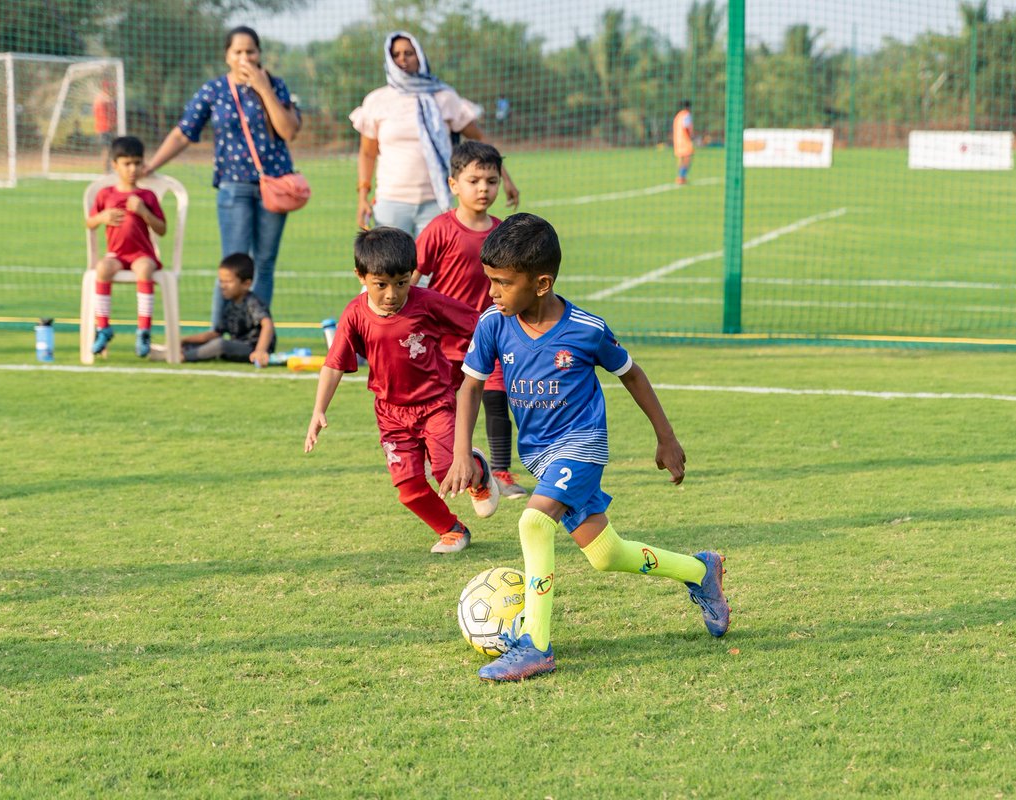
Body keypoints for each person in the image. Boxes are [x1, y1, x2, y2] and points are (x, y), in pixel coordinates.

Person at [440, 214, 730, 682]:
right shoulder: (494, 324)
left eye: (502, 282)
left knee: (533, 523)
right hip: (541, 455)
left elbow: (631, 373)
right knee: (605, 554)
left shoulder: (586, 328)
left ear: (541, 283)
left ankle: (534, 644)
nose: (491, 291)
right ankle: (700, 571)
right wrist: (460, 451)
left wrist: (666, 437)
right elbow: (469, 388)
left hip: (582, 447)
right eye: (489, 280)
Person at [304, 227, 500, 554]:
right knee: (408, 488)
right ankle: (452, 530)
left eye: (402, 282)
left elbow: (478, 323)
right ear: (361, 276)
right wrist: (318, 409)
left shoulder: (427, 303)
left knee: (446, 471)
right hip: (391, 414)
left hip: (436, 404)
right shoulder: (355, 314)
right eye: (381, 285)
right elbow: (334, 362)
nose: (392, 294)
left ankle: (477, 471)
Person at [145, 25, 301, 330]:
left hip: (275, 185)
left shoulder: (276, 85)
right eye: (238, 52)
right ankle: (220, 330)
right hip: (234, 186)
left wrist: (263, 88)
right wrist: (151, 165)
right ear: (227, 56)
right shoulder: (214, 90)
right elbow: (183, 133)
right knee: (233, 261)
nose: (245, 57)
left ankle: (256, 333)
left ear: (259, 54)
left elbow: (288, 130)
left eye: (250, 51)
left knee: (265, 264)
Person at [414, 141, 526, 500]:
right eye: (474, 180)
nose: (483, 189)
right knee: (441, 408)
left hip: (489, 336)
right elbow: (413, 278)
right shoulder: (439, 229)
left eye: (491, 181)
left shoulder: (501, 232)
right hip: (442, 342)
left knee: (495, 399)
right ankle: (448, 462)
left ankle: (503, 472)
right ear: (453, 184)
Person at [350, 31, 519, 237]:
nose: (402, 58)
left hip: (436, 202)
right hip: (391, 203)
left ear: (420, 56)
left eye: (409, 53)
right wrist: (362, 198)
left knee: (434, 270)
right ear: (389, 59)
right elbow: (367, 153)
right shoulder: (377, 101)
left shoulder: (444, 97)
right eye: (396, 54)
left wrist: (507, 179)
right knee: (393, 269)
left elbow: (481, 141)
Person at [85, 135, 167, 358]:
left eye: (137, 163)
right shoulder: (106, 195)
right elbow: (89, 223)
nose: (132, 169)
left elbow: (161, 229)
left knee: (144, 269)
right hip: (117, 255)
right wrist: (102, 217)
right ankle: (103, 328)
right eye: (127, 164)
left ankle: (143, 330)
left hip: (142, 254)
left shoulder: (147, 196)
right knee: (102, 269)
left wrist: (144, 212)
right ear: (115, 165)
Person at [178, 253, 275, 365]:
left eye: (228, 282)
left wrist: (260, 351)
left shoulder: (251, 302)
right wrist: (184, 340)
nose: (223, 286)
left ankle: (183, 357)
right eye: (221, 281)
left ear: (246, 284)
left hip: (251, 349)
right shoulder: (229, 304)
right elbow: (215, 333)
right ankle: (173, 351)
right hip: (236, 346)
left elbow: (267, 324)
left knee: (220, 345)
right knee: (199, 344)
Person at [93, 80, 117, 171]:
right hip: (105, 129)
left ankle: (109, 169)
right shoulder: (103, 100)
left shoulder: (108, 99)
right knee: (106, 149)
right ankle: (106, 171)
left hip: (108, 129)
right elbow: (105, 116)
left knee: (110, 150)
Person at [673, 99, 694, 185]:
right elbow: (686, 127)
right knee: (687, 158)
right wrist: (690, 136)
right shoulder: (686, 115)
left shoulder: (678, 115)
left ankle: (680, 177)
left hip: (677, 140)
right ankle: (681, 177)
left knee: (681, 158)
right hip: (685, 140)